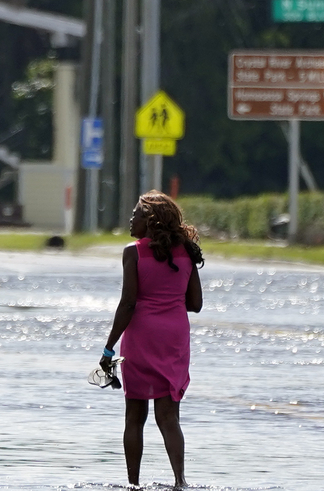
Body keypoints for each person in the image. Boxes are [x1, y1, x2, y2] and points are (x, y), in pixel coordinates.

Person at [99, 190, 204, 488]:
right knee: (169, 416)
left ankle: (133, 483)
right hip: (173, 337)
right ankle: (180, 481)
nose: (132, 219)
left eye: (137, 214)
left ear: (151, 220)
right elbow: (195, 303)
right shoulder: (186, 252)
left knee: (135, 416)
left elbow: (128, 303)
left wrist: (109, 348)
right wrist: (168, 299)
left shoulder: (133, 252)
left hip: (140, 336)